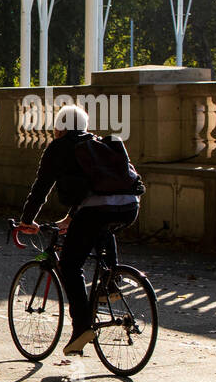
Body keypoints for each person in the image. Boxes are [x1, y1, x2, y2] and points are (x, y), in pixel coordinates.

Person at [18, 104, 142, 356]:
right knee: (101, 227)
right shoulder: (97, 144)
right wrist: (70, 218)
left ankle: (82, 327)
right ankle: (111, 283)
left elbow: (41, 187)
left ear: (61, 128)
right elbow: (95, 190)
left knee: (70, 265)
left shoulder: (59, 148)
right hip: (129, 206)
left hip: (95, 210)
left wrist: (26, 220)